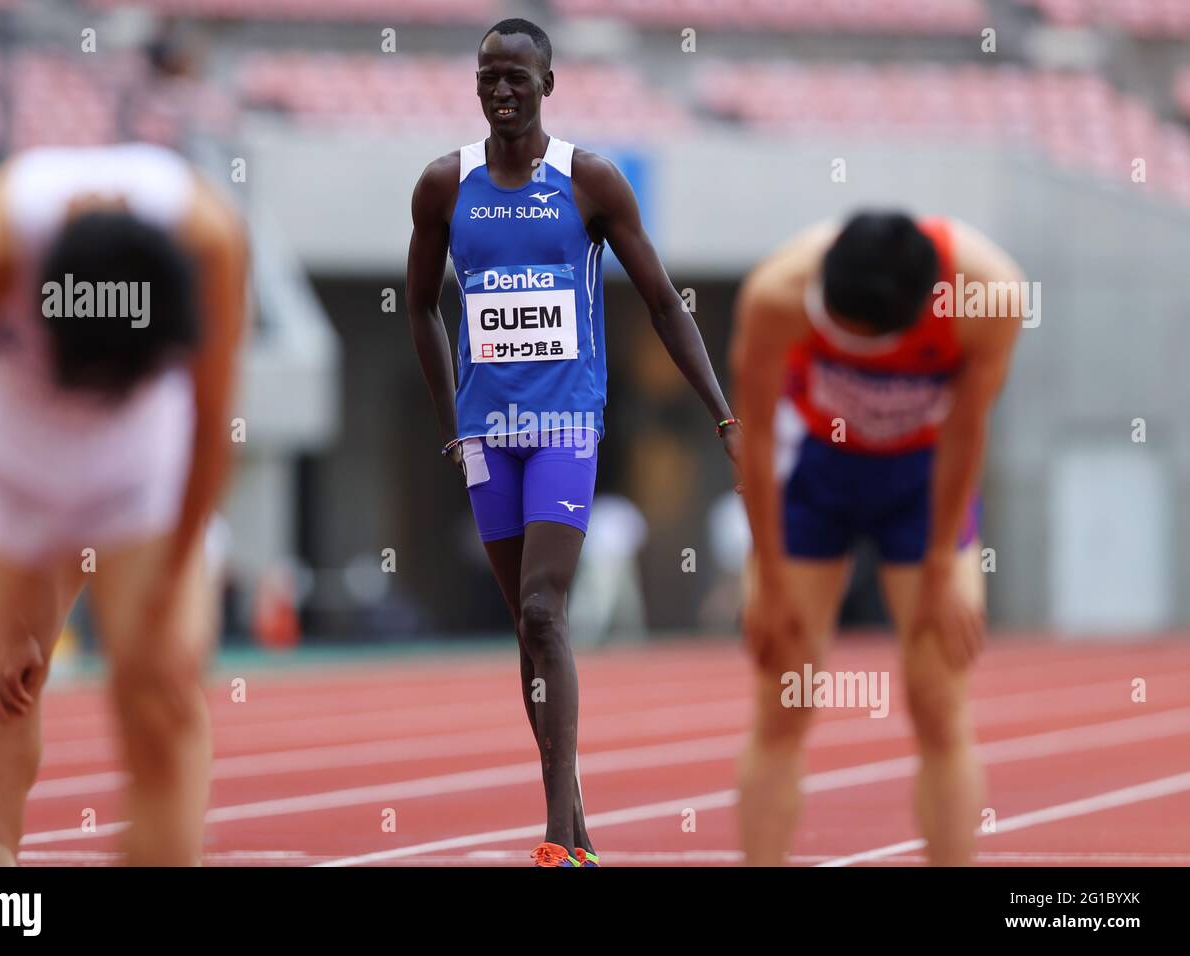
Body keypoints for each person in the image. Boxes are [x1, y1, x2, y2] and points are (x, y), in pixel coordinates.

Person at [406, 18, 740, 867]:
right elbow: (418, 307)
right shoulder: (445, 185)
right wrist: (452, 424)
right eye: (487, 76)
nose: (501, 89)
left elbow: (665, 302)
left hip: (564, 426)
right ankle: (575, 811)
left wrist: (722, 413)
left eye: (517, 75)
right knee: (531, 629)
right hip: (488, 435)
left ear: (548, 84)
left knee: (549, 612)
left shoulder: (588, 181)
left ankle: (560, 834)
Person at [0, 142, 247, 866]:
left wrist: (169, 586)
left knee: (163, 695)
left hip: (139, 467)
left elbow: (211, 433)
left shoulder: (210, 238)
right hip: (12, 467)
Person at [730, 211, 1023, 865]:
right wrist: (769, 578)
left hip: (920, 482)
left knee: (939, 703)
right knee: (783, 699)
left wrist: (944, 566)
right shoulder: (778, 292)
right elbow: (750, 433)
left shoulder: (990, 297)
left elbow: (967, 434)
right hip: (813, 471)